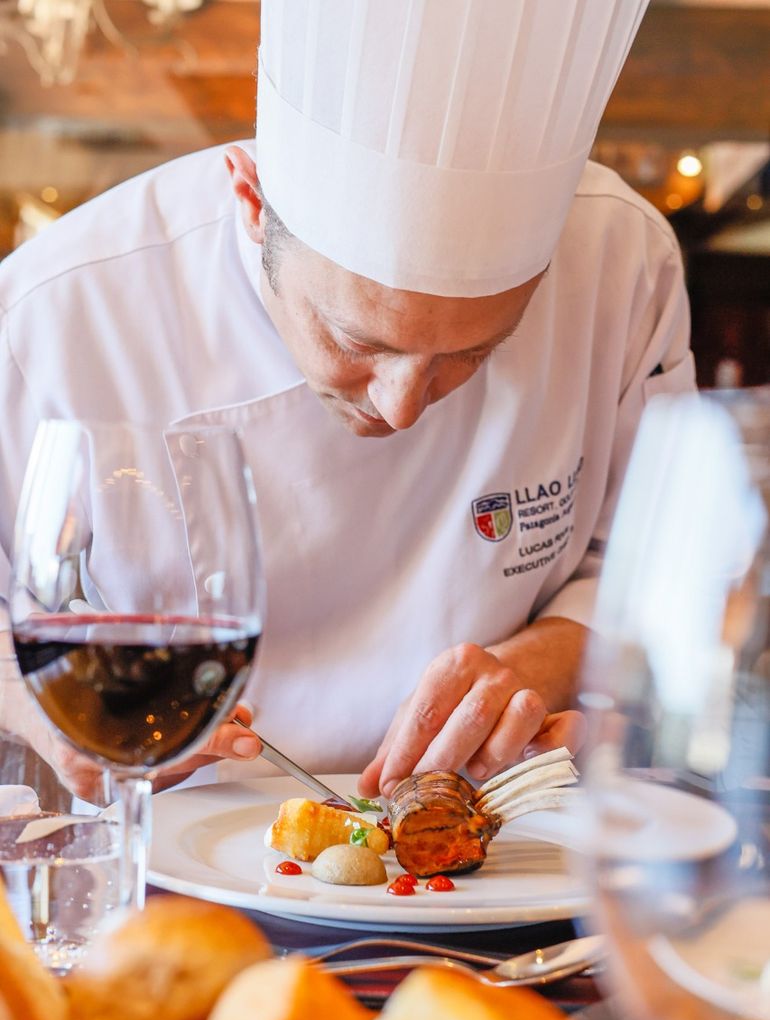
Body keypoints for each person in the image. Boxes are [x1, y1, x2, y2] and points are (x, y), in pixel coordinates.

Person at [0, 0, 695, 804]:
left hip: (509, 871)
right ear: (254, 203)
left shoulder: (621, 264)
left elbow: (655, 565)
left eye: (473, 353)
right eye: (358, 341)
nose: (403, 408)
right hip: (153, 874)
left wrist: (545, 659)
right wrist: (42, 714)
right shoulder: (49, 316)